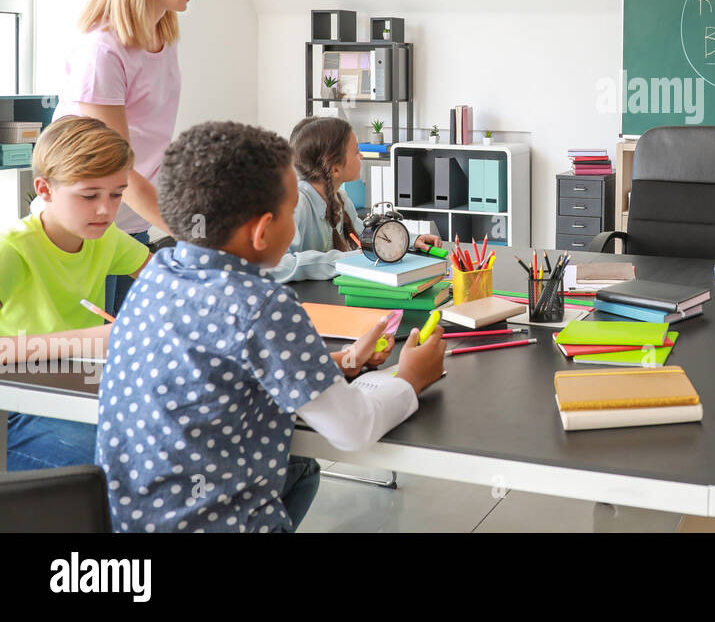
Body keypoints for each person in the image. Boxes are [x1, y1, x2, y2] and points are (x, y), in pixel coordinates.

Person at [96, 121, 447, 532]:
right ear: (264, 229)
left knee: (299, 468)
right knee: (300, 468)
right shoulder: (263, 305)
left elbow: (219, 371)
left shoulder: (155, 277)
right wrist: (411, 377)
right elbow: (354, 429)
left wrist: (335, 362)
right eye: (291, 208)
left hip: (131, 528)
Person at [52, 0, 204, 313]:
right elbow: (115, 167)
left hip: (129, 228)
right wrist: (189, 233)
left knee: (125, 354)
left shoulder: (162, 37)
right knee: (81, 366)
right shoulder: (101, 51)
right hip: (83, 233)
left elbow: (151, 146)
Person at [0, 117, 150, 470]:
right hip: (16, 410)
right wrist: (93, 340)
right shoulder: (12, 250)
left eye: (117, 194)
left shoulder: (105, 237)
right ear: (45, 189)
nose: (106, 210)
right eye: (89, 195)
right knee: (120, 466)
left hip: (77, 393)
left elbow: (167, 280)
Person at [264, 116, 441, 283]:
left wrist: (409, 240)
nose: (362, 156)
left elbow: (366, 235)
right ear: (334, 169)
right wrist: (341, 261)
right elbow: (274, 265)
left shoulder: (340, 197)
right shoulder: (297, 204)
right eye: (356, 151)